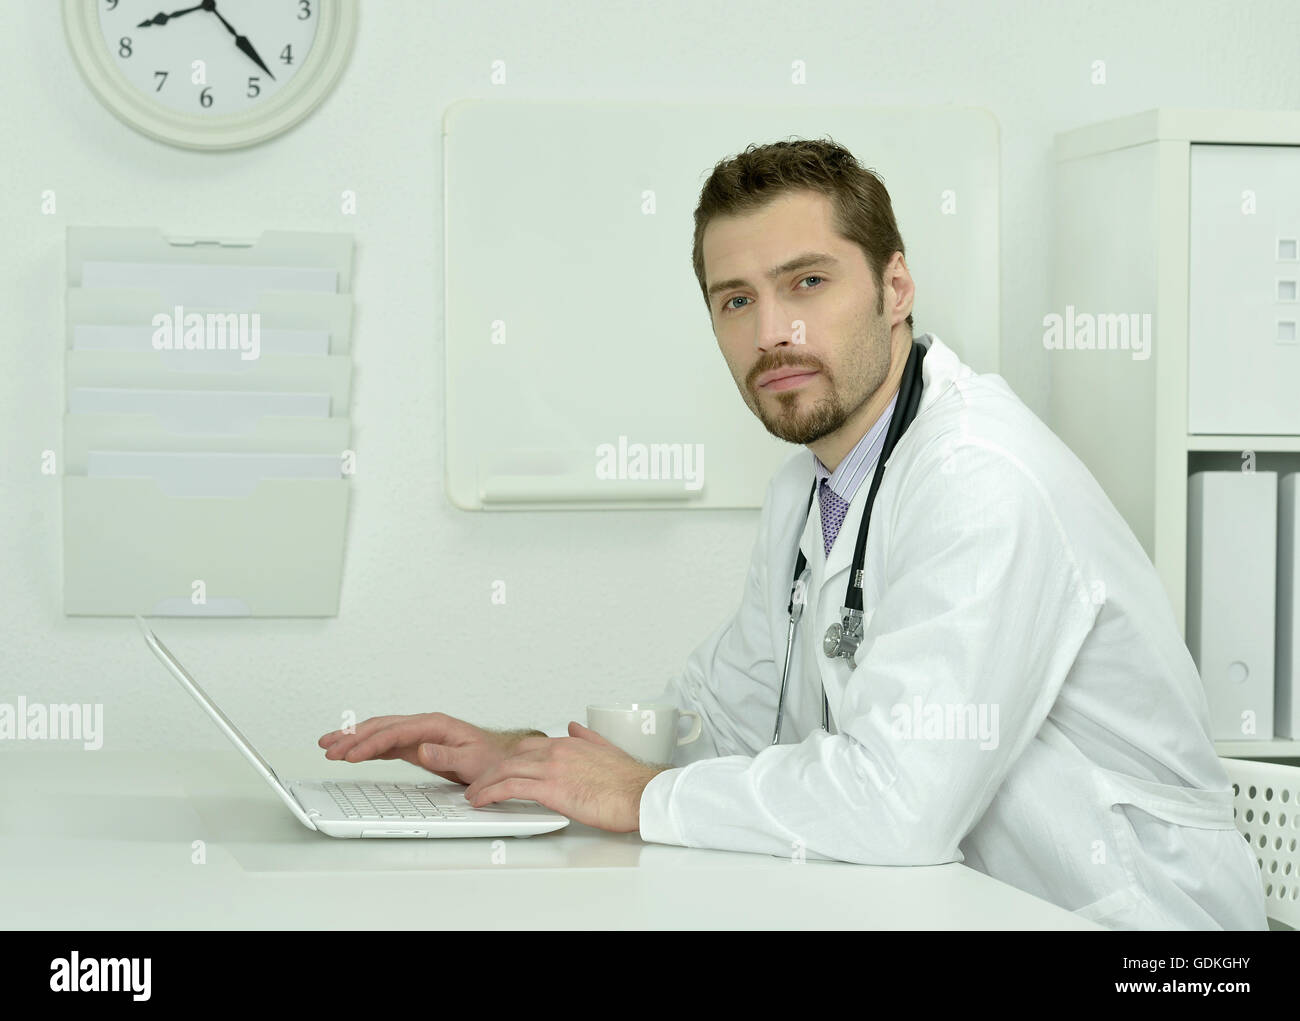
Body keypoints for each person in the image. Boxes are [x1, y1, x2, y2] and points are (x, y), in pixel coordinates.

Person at [320, 139, 1268, 930]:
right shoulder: (810, 484)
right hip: (966, 906)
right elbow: (728, 716)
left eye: (806, 281)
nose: (772, 331)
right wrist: (532, 757)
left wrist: (639, 796)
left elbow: (900, 805)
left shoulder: (981, 479)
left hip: (1145, 942)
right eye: (735, 300)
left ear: (896, 286)